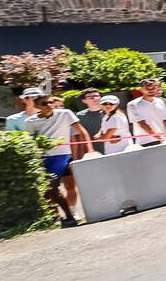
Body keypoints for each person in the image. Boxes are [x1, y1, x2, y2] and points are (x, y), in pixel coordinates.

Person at [25, 93, 90, 227]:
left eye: (50, 102)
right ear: (36, 106)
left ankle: (70, 215)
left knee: (57, 186)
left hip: (62, 155)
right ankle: (58, 216)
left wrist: (89, 149)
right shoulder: (30, 121)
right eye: (44, 103)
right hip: (43, 157)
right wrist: (39, 144)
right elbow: (30, 141)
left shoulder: (65, 113)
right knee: (49, 190)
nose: (49, 105)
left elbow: (81, 131)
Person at [126, 78, 166, 147]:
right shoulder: (133, 104)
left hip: (163, 140)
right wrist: (160, 137)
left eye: (153, 88)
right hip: (145, 142)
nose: (151, 90)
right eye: (147, 88)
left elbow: (164, 121)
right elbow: (142, 124)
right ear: (141, 89)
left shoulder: (160, 102)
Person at [73, 88, 107, 154]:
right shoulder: (79, 116)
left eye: (97, 96)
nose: (95, 98)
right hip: (93, 152)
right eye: (90, 97)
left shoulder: (110, 112)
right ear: (84, 101)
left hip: (113, 148)